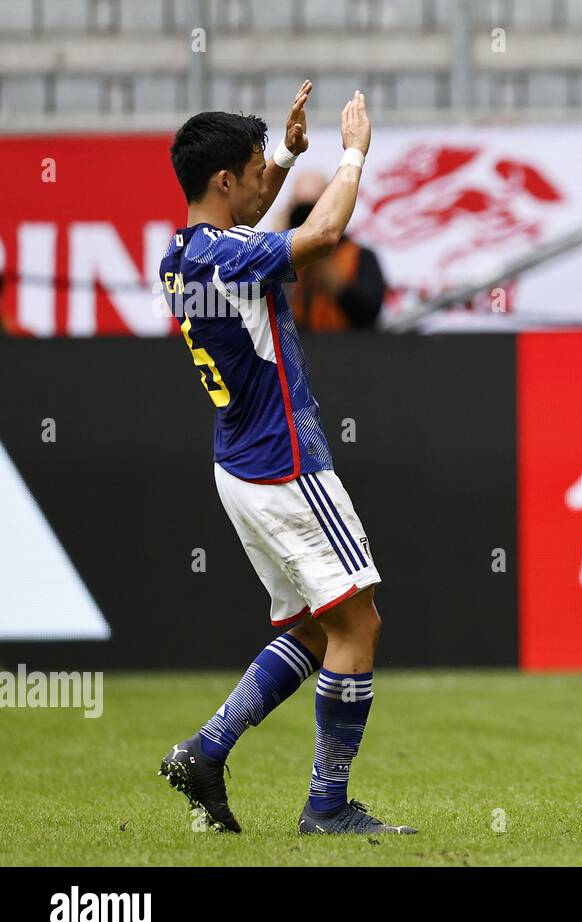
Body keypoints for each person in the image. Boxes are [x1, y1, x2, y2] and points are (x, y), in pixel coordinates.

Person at [156, 82, 415, 835]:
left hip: (239, 461)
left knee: (314, 628)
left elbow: (246, 233)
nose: (267, 178)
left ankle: (207, 750)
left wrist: (287, 152)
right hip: (286, 461)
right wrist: (354, 151)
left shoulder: (182, 255)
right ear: (223, 182)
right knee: (359, 624)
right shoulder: (230, 253)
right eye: (255, 168)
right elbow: (325, 231)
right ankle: (327, 808)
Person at [283, 170, 388, 331]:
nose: (311, 219)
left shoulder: (359, 255)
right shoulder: (282, 257)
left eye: (316, 209)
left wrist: (332, 280)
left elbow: (370, 312)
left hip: (346, 350)